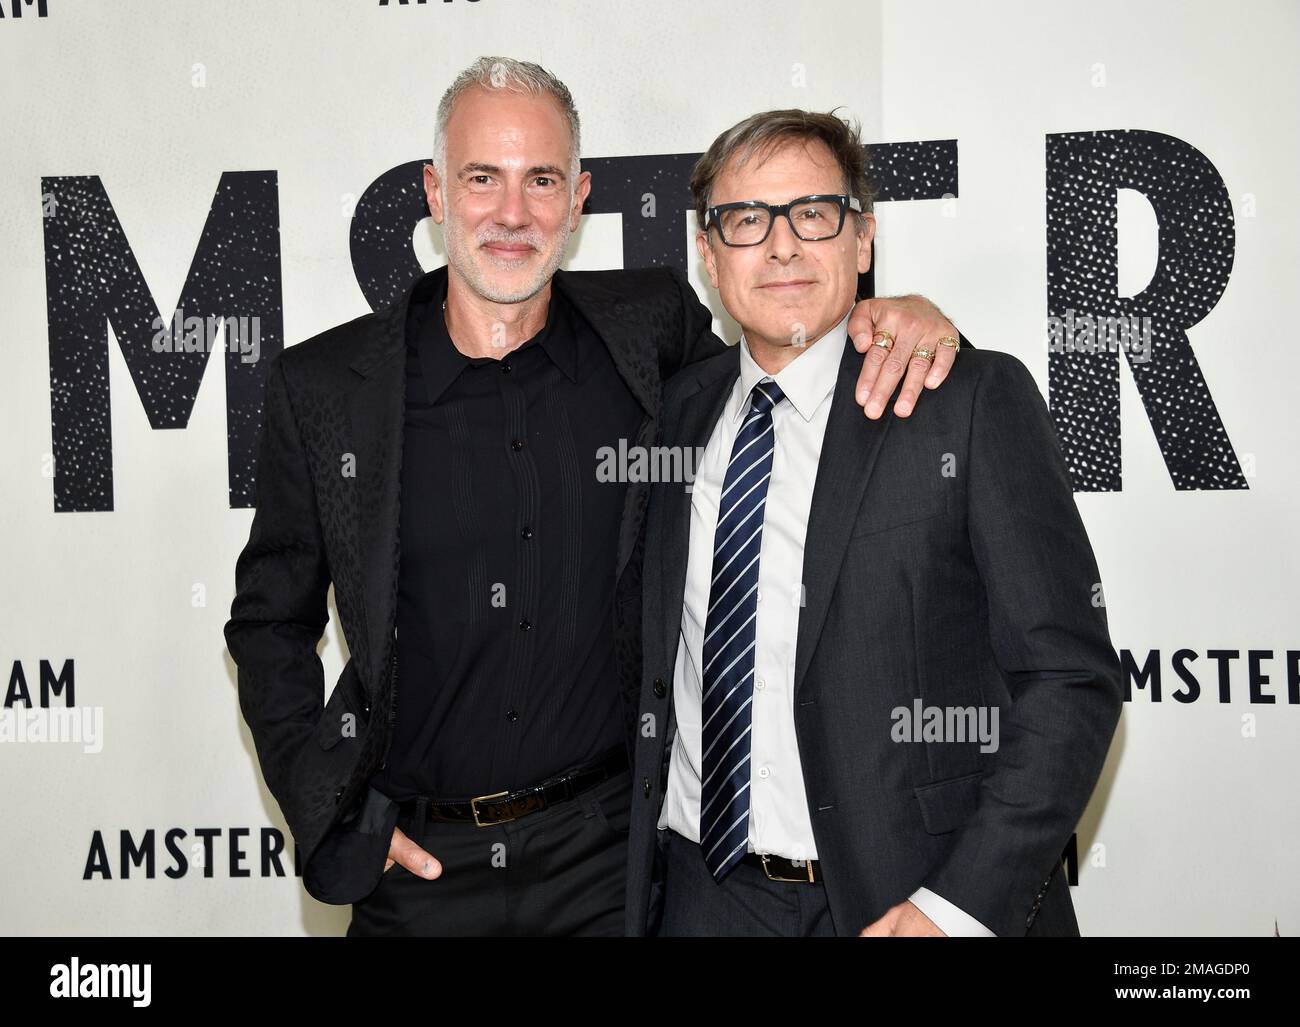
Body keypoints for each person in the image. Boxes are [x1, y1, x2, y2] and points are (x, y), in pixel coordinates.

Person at [224, 58, 965, 937]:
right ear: (434, 193)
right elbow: (269, 623)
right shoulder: (326, 389)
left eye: (541, 179)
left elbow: (786, 344)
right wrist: (334, 809)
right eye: (481, 178)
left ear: (578, 199)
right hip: (420, 872)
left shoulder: (650, 333)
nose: (512, 213)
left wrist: (897, 313)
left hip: (611, 866)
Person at [626, 107, 1123, 937]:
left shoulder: (964, 400)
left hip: (908, 899)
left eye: (813, 213)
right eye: (746, 220)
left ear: (863, 240)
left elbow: (1072, 680)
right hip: (702, 897)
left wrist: (955, 907)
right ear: (707, 255)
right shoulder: (675, 412)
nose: (781, 246)